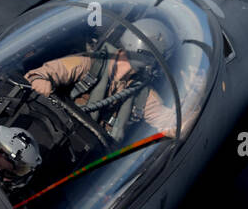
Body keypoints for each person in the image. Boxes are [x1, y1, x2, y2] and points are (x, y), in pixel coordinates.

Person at [24, 19, 180, 140]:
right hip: (53, 131)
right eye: (157, 58)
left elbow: (168, 122)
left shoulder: (142, 94)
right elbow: (45, 73)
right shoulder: (90, 63)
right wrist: (41, 81)